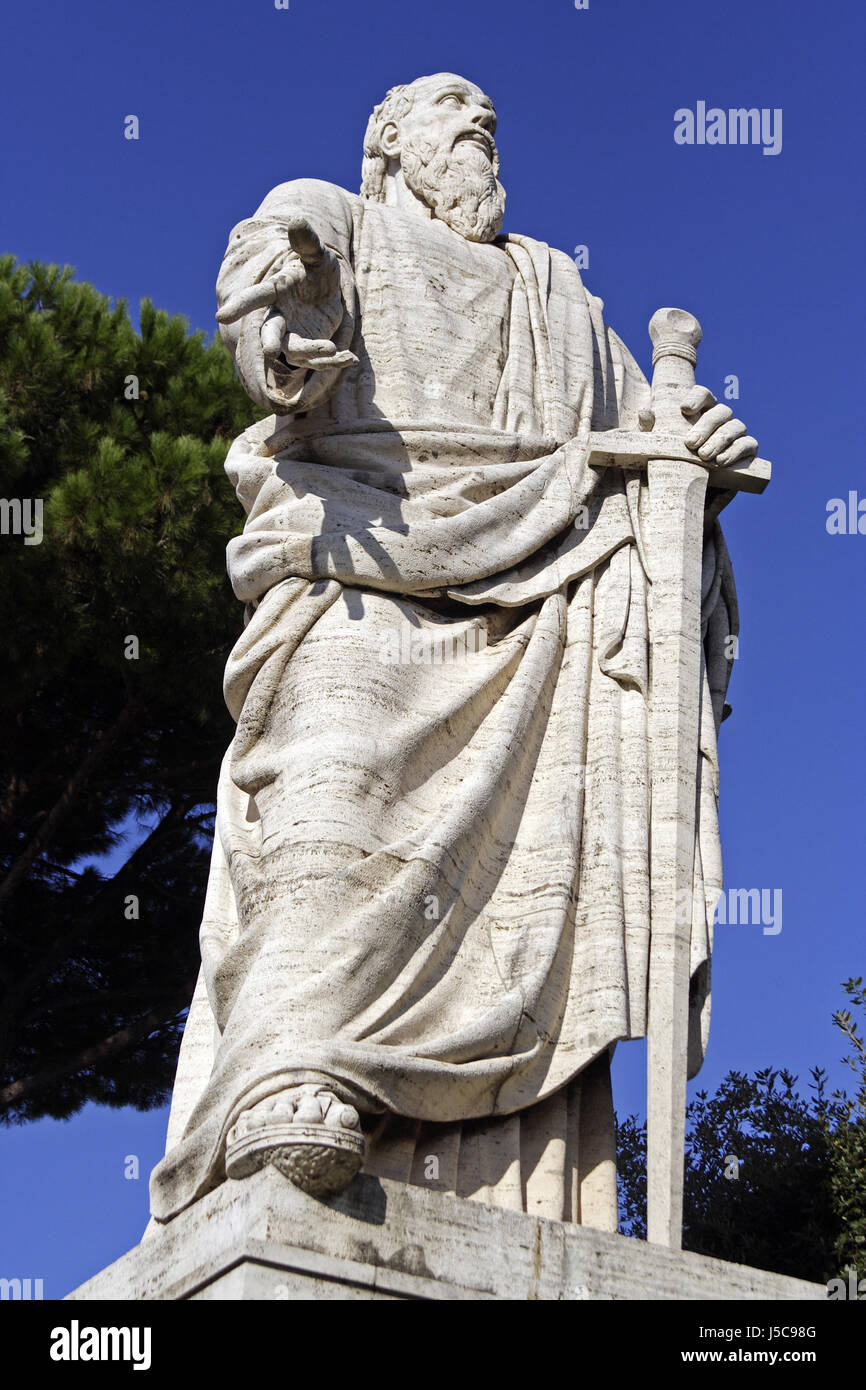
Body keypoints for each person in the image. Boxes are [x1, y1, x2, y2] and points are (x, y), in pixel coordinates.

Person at [150, 74, 755, 1229]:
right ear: (389, 142)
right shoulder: (341, 217)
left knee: (537, 890)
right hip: (363, 566)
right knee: (334, 781)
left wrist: (697, 456)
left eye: (487, 117)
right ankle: (289, 1073)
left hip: (541, 622)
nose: (476, 124)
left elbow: (641, 448)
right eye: (447, 109)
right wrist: (279, 308)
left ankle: (508, 1161)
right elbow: (281, 274)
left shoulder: (559, 290)